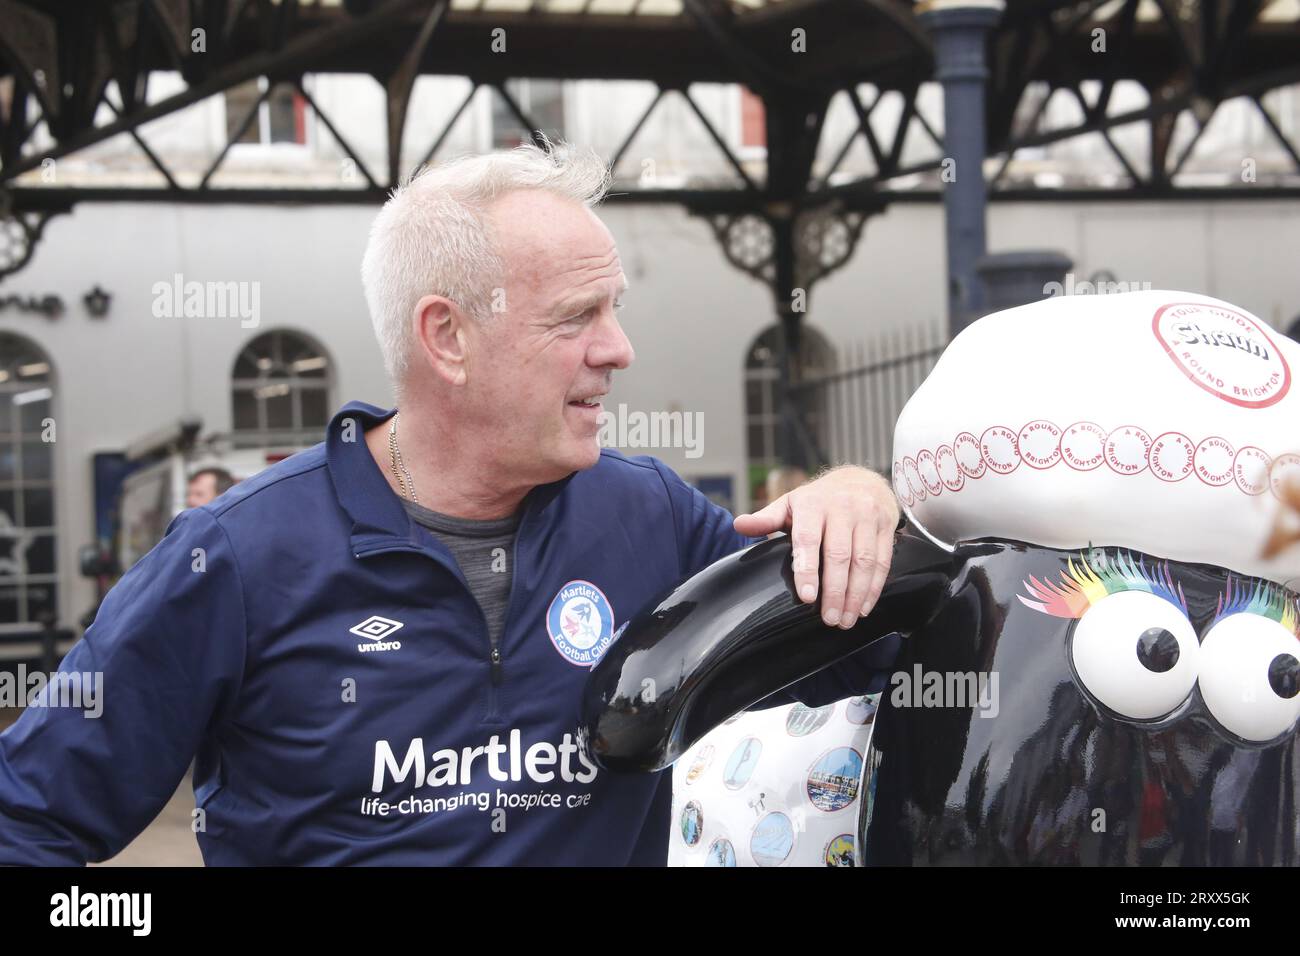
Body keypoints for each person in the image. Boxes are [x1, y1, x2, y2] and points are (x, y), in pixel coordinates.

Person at [0, 141, 899, 866]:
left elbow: (878, 662)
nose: (619, 349)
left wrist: (861, 497)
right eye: (576, 317)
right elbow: (30, 820)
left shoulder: (651, 518)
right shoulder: (237, 557)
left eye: (614, 310)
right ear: (447, 338)